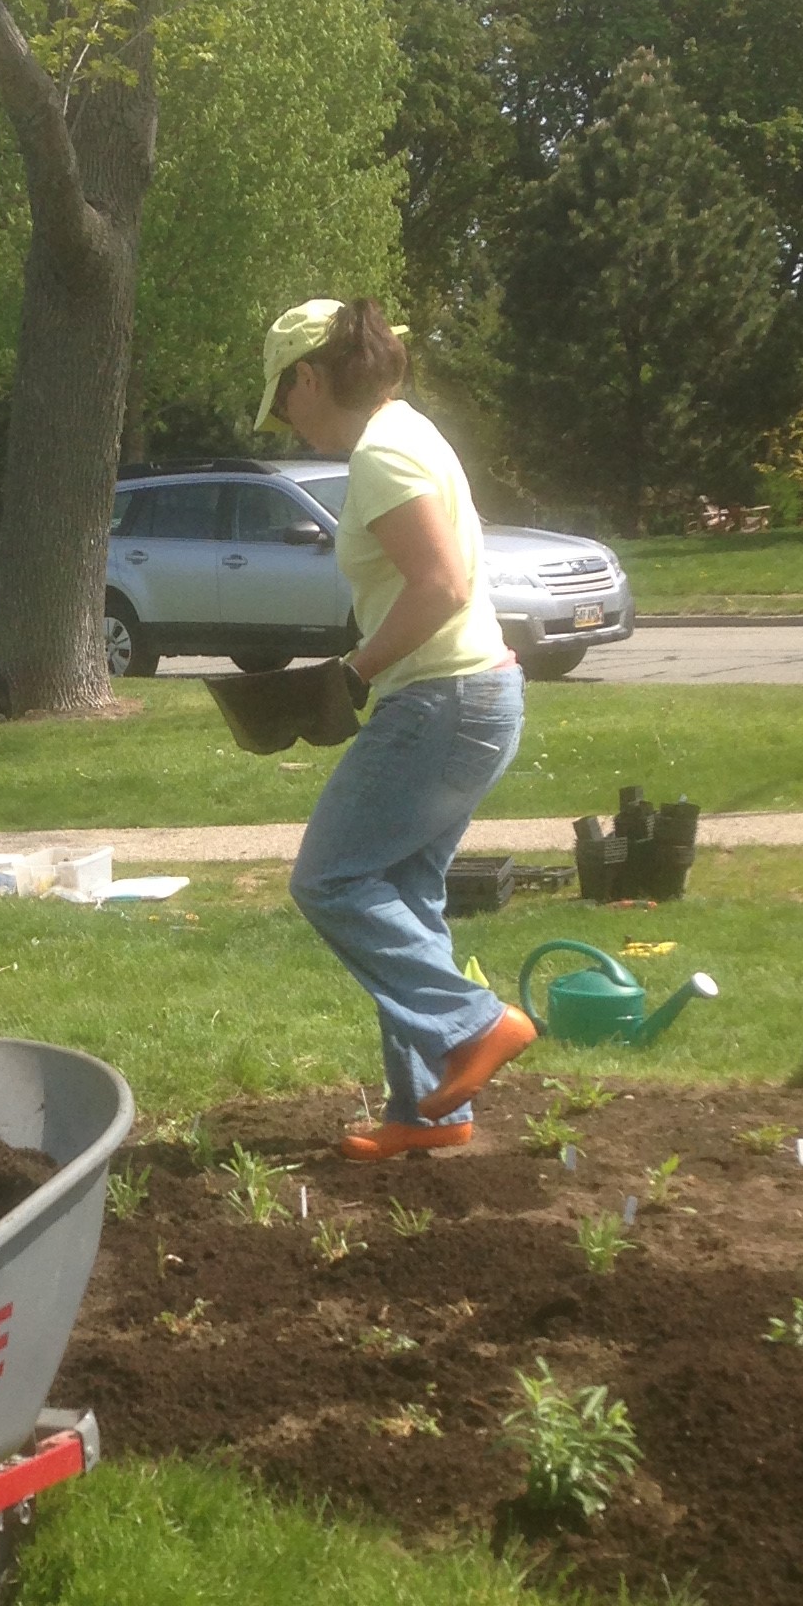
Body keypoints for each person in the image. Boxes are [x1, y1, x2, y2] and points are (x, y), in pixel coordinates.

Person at [259, 298, 539, 1160]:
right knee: (405, 896)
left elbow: (441, 585)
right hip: (472, 697)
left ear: (309, 376)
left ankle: (477, 1025)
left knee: (330, 880)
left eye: (281, 398)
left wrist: (352, 674)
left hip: (443, 701)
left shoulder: (382, 451)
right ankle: (428, 1116)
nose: (282, 420)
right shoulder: (408, 432)